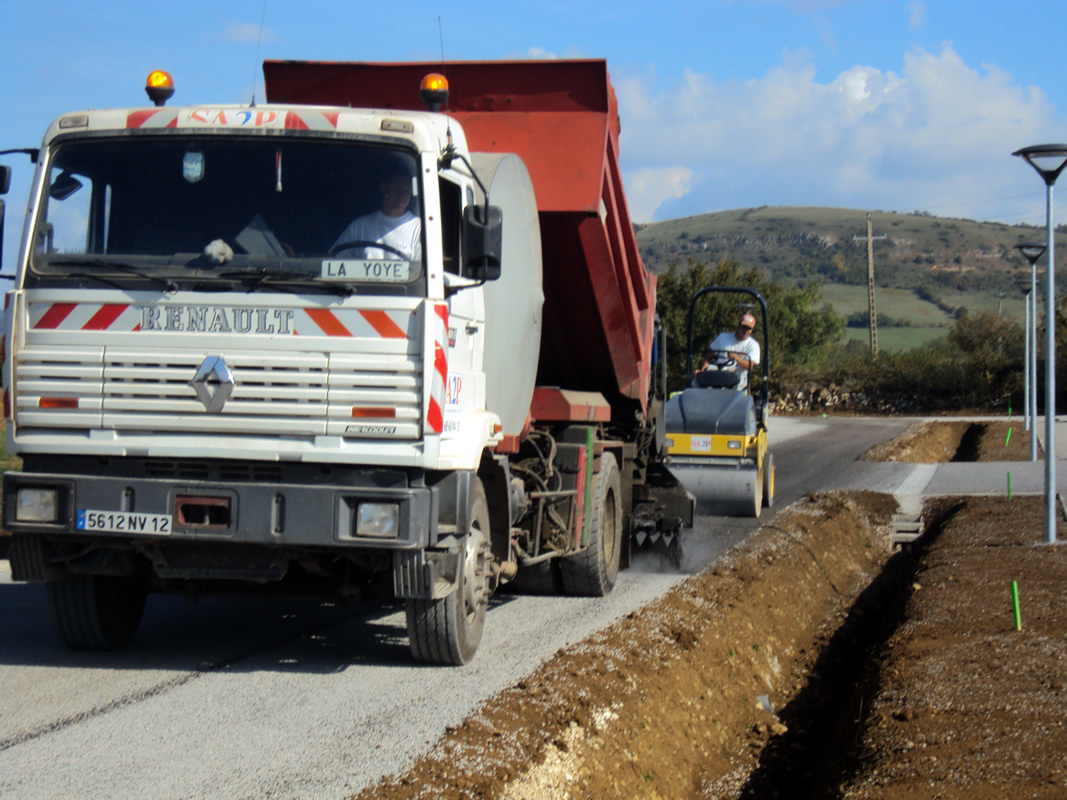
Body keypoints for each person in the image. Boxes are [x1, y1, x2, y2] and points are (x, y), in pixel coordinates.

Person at [332, 167, 422, 261]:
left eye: (406, 191)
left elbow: (423, 270)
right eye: (396, 189)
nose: (401, 195)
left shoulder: (418, 228)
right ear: (383, 189)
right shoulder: (360, 226)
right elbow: (334, 260)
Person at [701, 312, 761, 391]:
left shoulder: (753, 345)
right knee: (698, 380)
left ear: (752, 330)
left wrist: (736, 358)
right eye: (744, 327)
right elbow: (710, 356)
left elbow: (749, 365)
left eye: (748, 328)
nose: (746, 331)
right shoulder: (723, 337)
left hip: (737, 376)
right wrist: (702, 370)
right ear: (739, 325)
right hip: (718, 372)